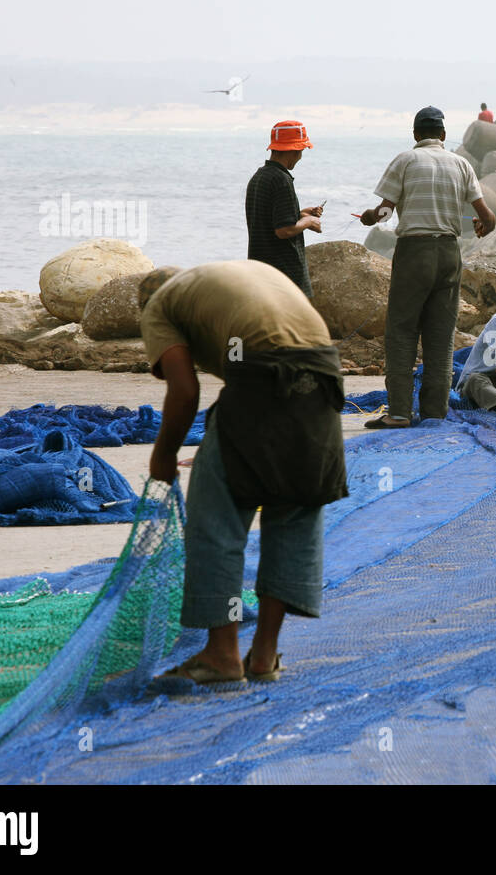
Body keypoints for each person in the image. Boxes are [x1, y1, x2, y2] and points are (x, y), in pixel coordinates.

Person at [139, 260, 348, 684]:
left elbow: (183, 390)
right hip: (323, 377)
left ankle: (221, 655)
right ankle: (263, 657)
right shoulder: (227, 278)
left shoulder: (160, 304)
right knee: (293, 508)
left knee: (216, 514)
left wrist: (163, 456)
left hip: (261, 375)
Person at [359, 106, 496, 429]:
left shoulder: (406, 160)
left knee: (402, 331)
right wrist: (481, 225)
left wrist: (369, 216)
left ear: (416, 135)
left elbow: (384, 214)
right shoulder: (461, 164)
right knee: (440, 333)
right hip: (449, 253)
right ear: (444, 136)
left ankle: (399, 413)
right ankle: (435, 412)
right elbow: (487, 218)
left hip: (414, 252)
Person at [245, 120, 325, 297]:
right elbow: (284, 230)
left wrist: (300, 213)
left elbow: (268, 219)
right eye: (301, 151)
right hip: (285, 275)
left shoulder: (259, 177)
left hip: (261, 270)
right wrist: (309, 220)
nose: (300, 157)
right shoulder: (282, 180)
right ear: (294, 150)